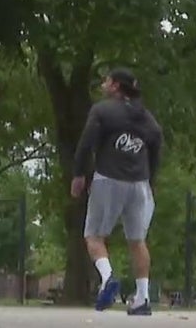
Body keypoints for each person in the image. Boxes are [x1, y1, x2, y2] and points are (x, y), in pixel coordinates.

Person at [71, 68, 163, 316]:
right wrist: (151, 181)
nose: (103, 85)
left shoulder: (103, 110)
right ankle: (142, 298)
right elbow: (156, 145)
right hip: (140, 184)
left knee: (94, 236)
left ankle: (108, 277)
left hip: (109, 179)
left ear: (115, 86)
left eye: (106, 81)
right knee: (137, 241)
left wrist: (79, 174)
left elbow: (86, 143)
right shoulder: (147, 118)